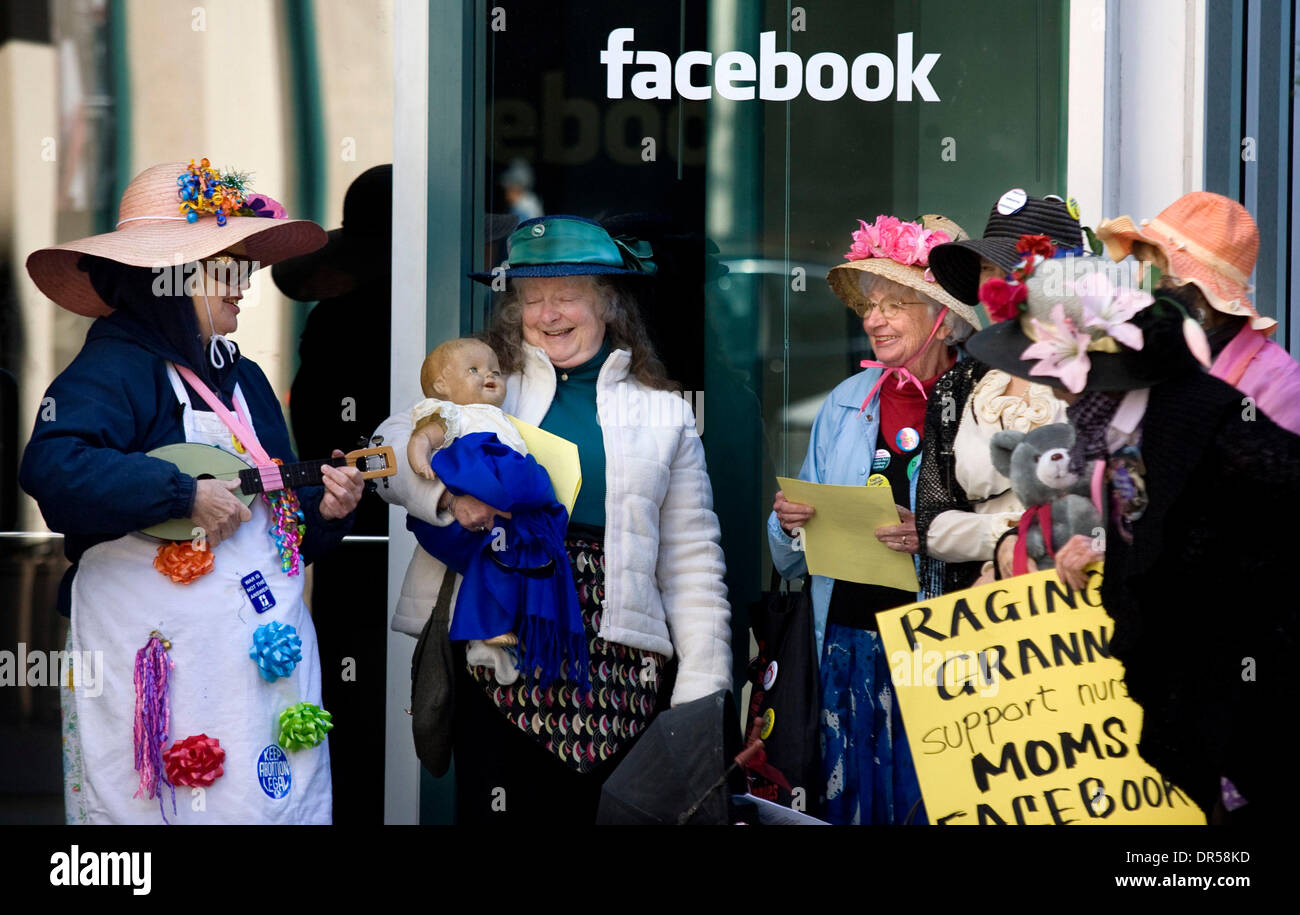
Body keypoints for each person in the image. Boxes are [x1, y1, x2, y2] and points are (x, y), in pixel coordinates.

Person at [19, 159, 363, 824]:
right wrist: (180, 494)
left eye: (246, 268)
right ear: (171, 277)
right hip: (168, 674)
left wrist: (326, 508)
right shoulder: (118, 363)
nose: (246, 288)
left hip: (260, 675)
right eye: (228, 268)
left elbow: (282, 535)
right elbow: (53, 465)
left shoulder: (247, 378)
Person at [374, 214, 731, 823]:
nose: (548, 313)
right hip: (502, 643)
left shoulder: (664, 412)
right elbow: (388, 454)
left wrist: (703, 689)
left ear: (610, 306)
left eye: (567, 296)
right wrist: (450, 498)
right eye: (533, 298)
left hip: (620, 664)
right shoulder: (488, 387)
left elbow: (692, 558)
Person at [964, 252, 1300, 823]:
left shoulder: (1204, 419)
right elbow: (1144, 527)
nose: (1058, 394)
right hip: (1202, 703)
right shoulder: (1116, 429)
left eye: (1057, 373)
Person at [768, 213, 979, 825]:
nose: (873, 319)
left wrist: (935, 536)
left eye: (895, 305)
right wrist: (788, 523)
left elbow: (1011, 525)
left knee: (932, 803)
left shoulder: (980, 397)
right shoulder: (844, 401)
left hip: (941, 646)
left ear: (944, 317)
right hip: (845, 645)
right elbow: (786, 557)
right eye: (871, 304)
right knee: (848, 803)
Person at [272, 163, 392, 826]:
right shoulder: (352, 324)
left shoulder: (331, 324)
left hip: (352, 548)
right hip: (366, 545)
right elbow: (324, 449)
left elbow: (316, 440)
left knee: (356, 721)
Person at [920, 193, 1082, 590]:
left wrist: (1028, 539)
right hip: (984, 611)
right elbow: (933, 525)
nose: (994, 285)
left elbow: (1114, 503)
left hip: (1078, 603)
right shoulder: (958, 385)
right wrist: (1003, 538)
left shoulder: (1092, 377)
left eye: (1012, 271)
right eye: (987, 268)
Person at [1096, 190, 1300, 435]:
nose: (1141, 281)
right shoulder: (1151, 350)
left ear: (1201, 294)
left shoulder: (1279, 382)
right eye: (1140, 265)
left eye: (1153, 271)